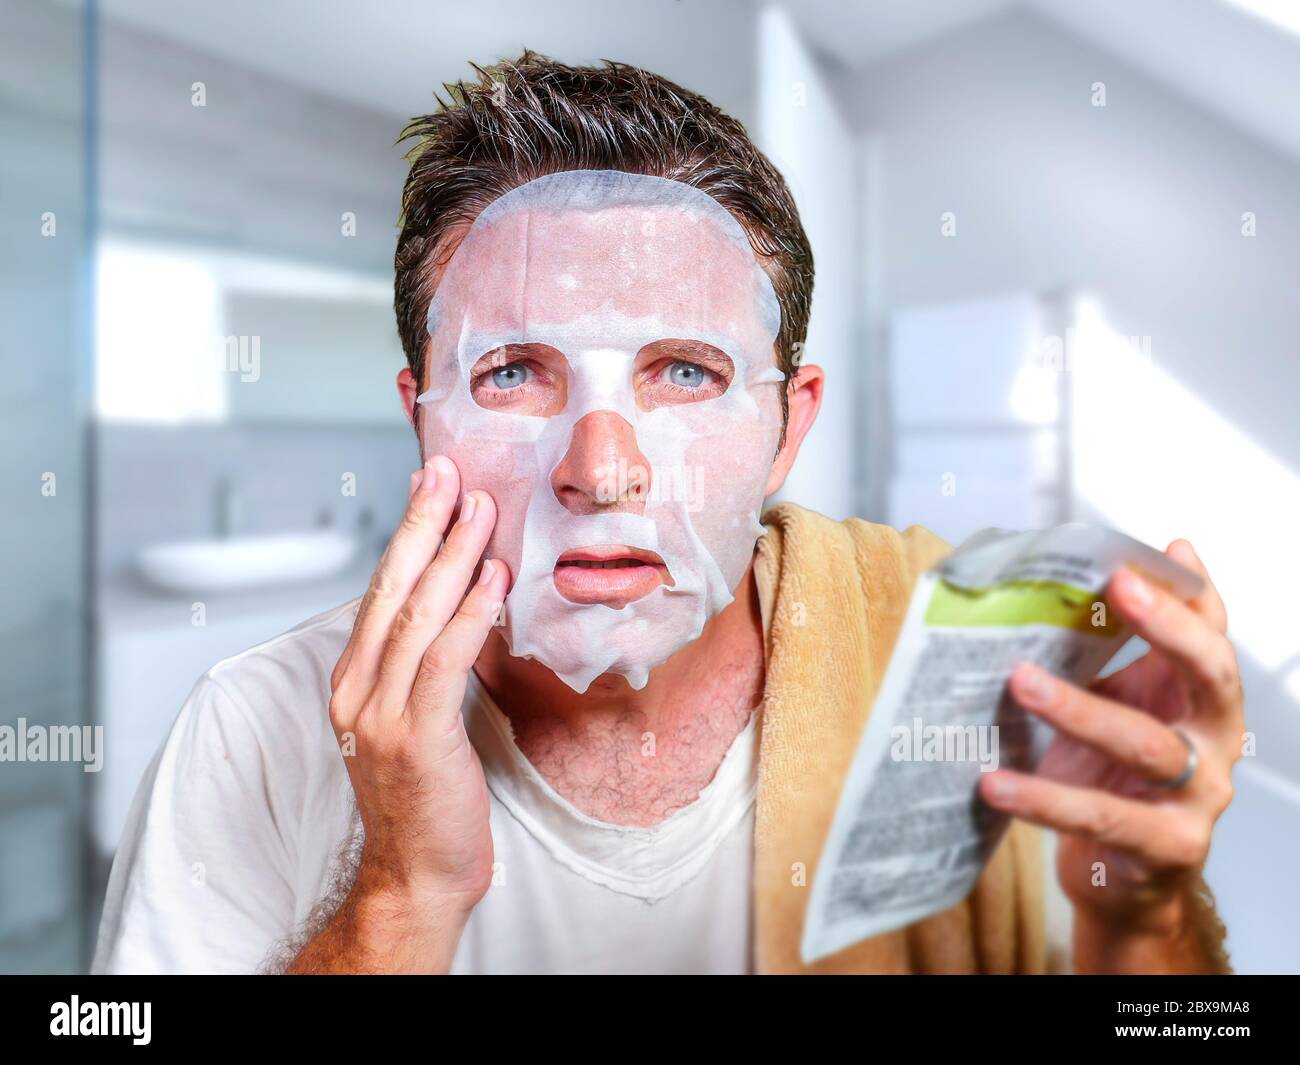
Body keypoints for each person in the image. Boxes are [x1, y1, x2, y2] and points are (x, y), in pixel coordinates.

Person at [93, 52, 1240, 975]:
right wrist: (402, 893)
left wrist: (1139, 914)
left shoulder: (972, 686)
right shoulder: (250, 734)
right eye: (512, 374)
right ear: (423, 417)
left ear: (788, 428)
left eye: (683, 373)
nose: (602, 469)